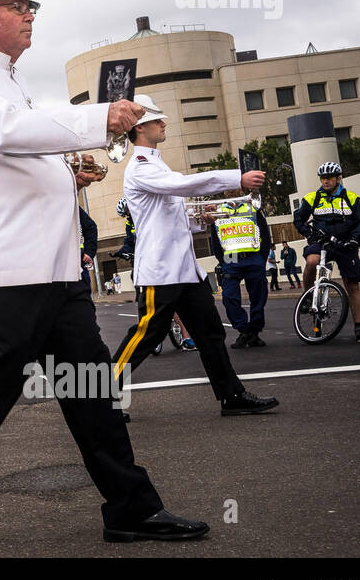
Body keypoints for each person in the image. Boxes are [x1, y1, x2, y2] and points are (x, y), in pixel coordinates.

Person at [0, 0, 208, 557]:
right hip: (8, 271)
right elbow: (8, 133)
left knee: (92, 389)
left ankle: (130, 508)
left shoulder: (9, 79)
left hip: (57, 270)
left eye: (31, 5)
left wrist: (72, 174)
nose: (31, 14)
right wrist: (100, 117)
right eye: (19, 5)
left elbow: (21, 151)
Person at [113, 97, 279, 415]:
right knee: (144, 338)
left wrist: (199, 219)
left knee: (211, 334)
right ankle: (98, 397)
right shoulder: (140, 168)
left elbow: (168, 214)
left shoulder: (156, 164)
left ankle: (232, 397)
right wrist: (237, 178)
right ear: (140, 127)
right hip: (160, 272)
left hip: (185, 272)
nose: (164, 123)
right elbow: (184, 185)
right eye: (157, 120)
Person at [294, 162, 360, 340]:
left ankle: (358, 327)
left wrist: (354, 238)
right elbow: (298, 219)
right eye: (323, 178)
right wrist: (309, 235)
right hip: (321, 242)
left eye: (329, 178)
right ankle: (308, 295)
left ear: (338, 178)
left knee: (352, 285)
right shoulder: (313, 197)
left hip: (345, 243)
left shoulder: (351, 197)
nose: (325, 181)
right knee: (312, 261)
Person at [207, 195, 273, 348]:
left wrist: (262, 257)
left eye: (236, 185)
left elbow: (264, 233)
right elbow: (215, 238)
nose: (232, 189)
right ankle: (244, 330)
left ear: (242, 189)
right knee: (229, 297)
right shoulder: (218, 211)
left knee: (258, 297)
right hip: (230, 259)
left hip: (253, 258)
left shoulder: (254, 208)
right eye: (229, 187)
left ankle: (254, 332)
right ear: (224, 192)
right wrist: (222, 261)